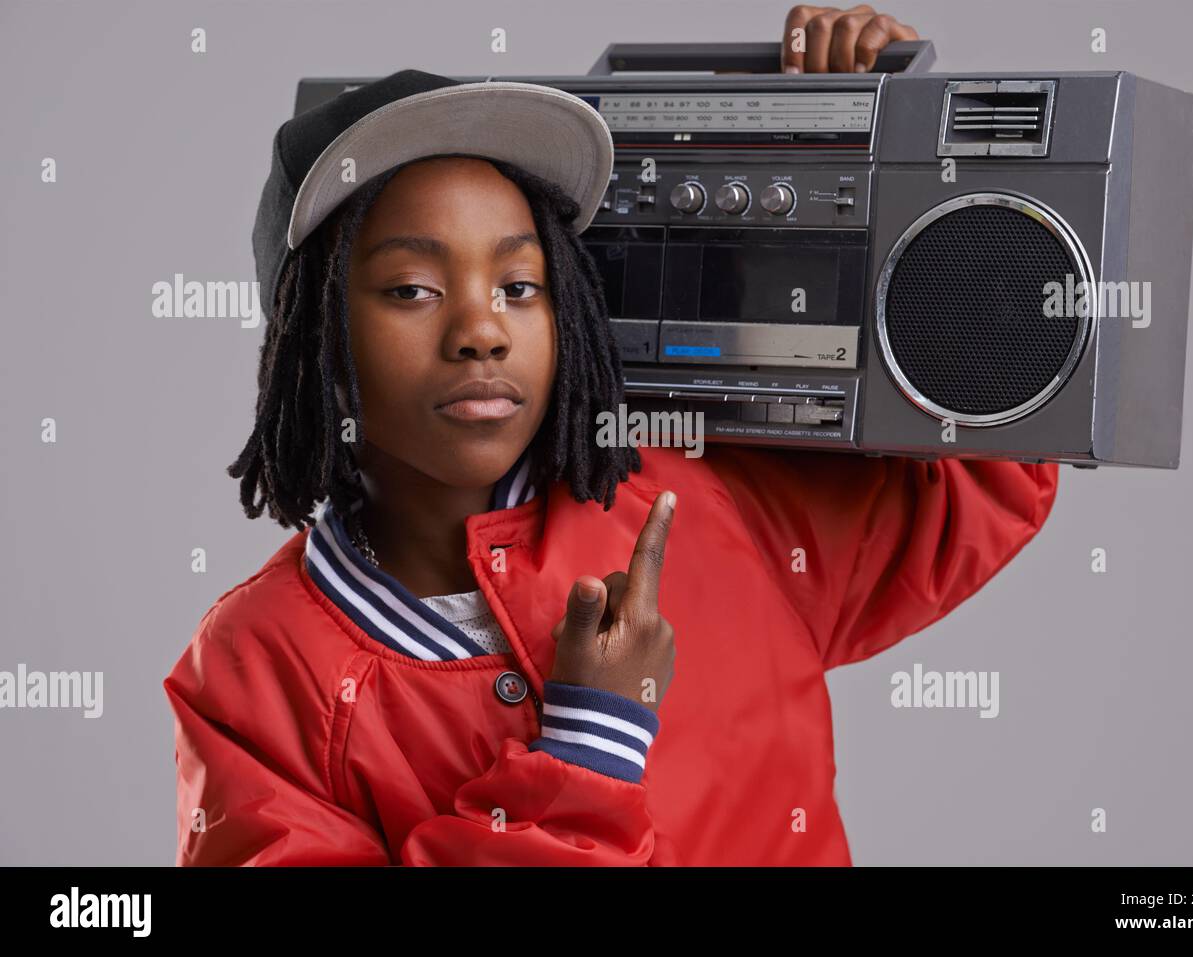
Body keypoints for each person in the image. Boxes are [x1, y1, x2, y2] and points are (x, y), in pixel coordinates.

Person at [165, 7, 1058, 866]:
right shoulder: (255, 669)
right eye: (413, 290)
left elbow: (986, 468)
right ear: (308, 335)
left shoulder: (694, 500)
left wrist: (901, 143)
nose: (484, 329)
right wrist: (589, 744)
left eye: (521, 285)